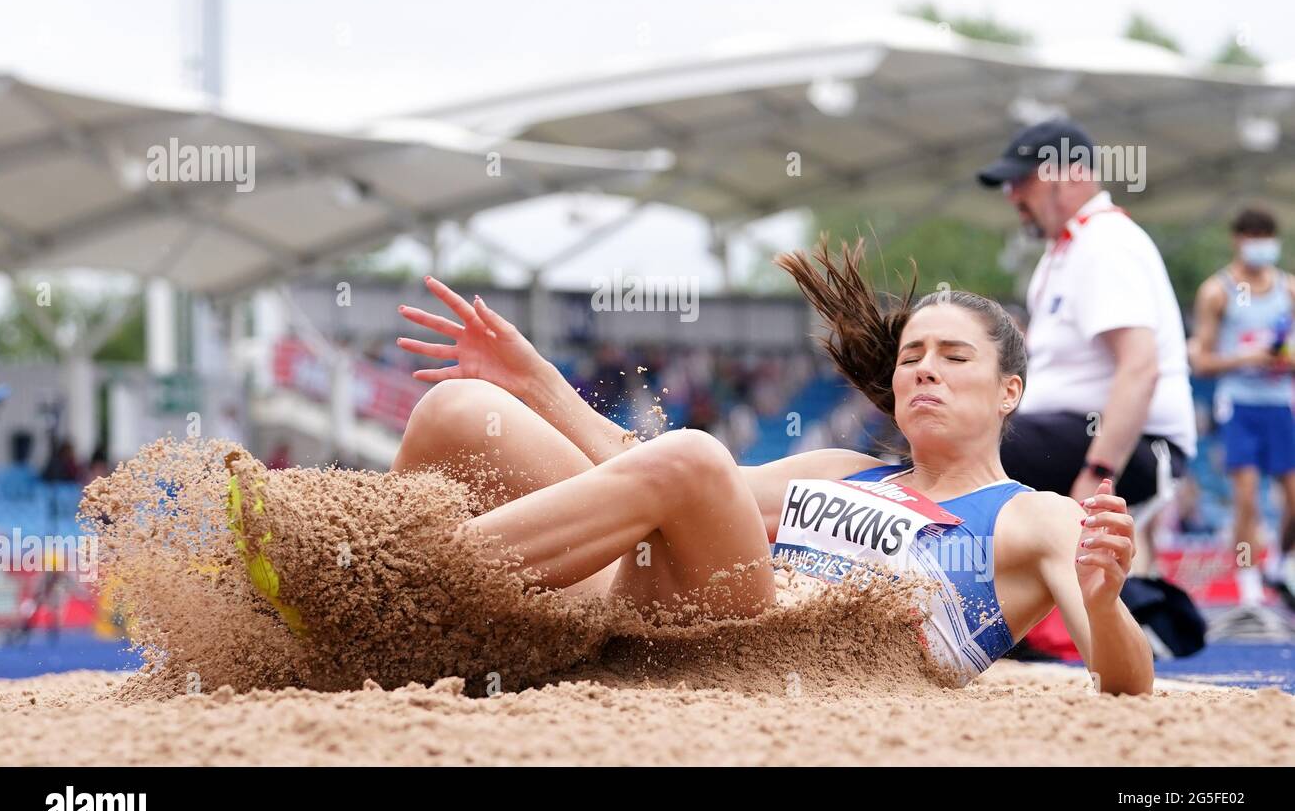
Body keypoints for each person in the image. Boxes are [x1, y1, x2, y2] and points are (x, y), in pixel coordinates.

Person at [390, 248, 1153, 694]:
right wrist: (532, 378)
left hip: (760, 656)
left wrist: (1106, 601)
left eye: (955, 359)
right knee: (459, 408)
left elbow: (1127, 684)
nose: (925, 372)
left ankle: (373, 589)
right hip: (649, 614)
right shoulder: (846, 470)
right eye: (912, 357)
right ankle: (355, 622)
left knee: (695, 458)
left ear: (1008, 392)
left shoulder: (1036, 515)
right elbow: (640, 471)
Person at [976, 118, 1196, 506]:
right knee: (953, 434)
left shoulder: (1106, 243)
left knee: (967, 445)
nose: (1012, 195)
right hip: (1073, 437)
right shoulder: (1066, 250)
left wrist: (1099, 474)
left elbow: (1140, 367)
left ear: (1073, 174)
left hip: (1135, 449)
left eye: (1022, 180)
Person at [1189, 207, 1295, 611]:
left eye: (1266, 235)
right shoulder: (1218, 291)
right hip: (1239, 403)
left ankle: (1280, 566)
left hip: (1278, 403)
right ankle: (1249, 581)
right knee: (1247, 497)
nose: (1261, 243)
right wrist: (1247, 358)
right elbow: (1202, 360)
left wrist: (1283, 358)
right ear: (1237, 239)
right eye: (1253, 235)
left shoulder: (1287, 289)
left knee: (1292, 499)